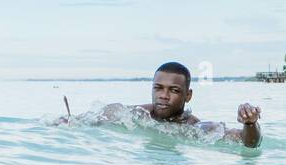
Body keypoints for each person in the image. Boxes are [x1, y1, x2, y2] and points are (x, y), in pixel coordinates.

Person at [61, 62, 262, 148]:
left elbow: (249, 143)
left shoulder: (198, 128)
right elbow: (97, 118)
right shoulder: (135, 114)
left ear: (188, 95)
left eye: (173, 90)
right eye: (158, 88)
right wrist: (72, 121)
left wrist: (250, 124)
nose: (164, 96)